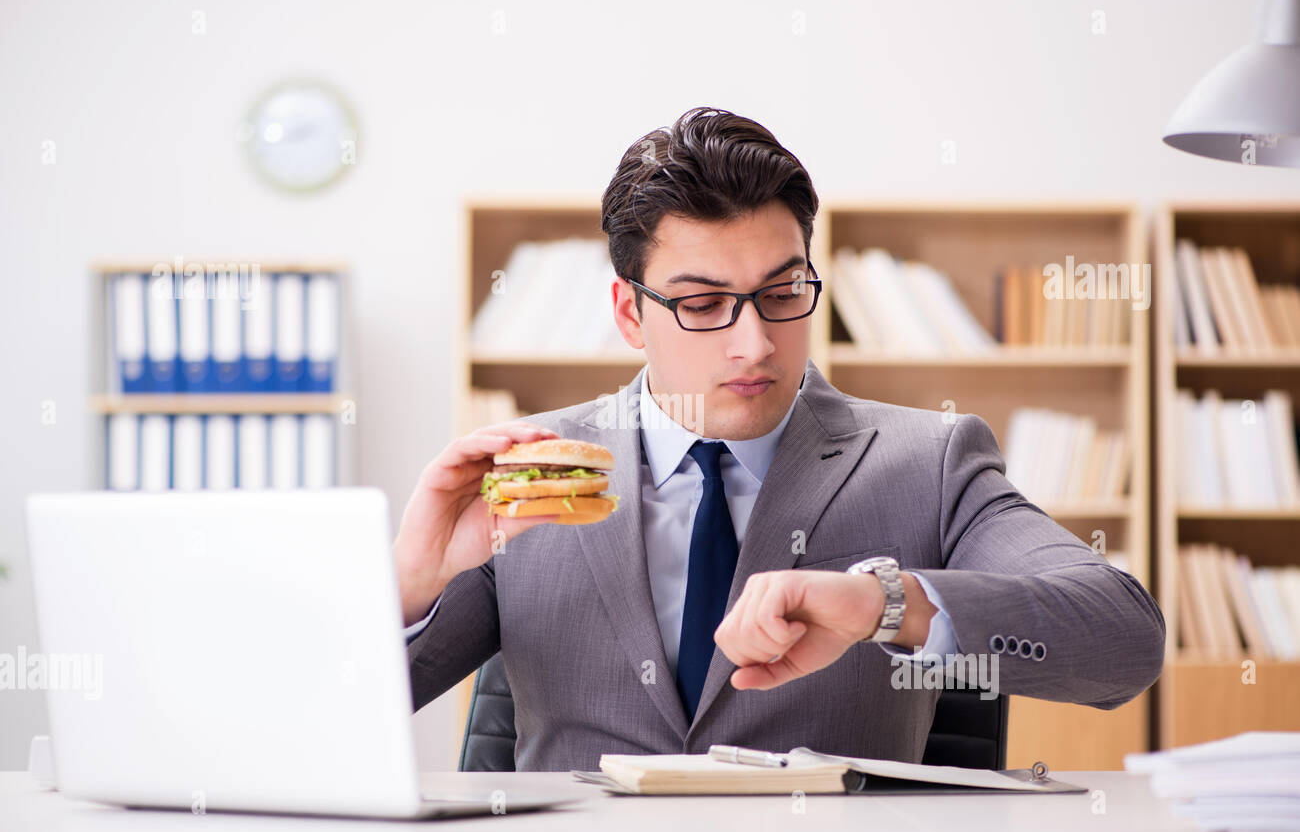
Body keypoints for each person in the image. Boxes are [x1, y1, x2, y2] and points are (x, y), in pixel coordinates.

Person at [394, 106, 1165, 771]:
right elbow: (318, 726)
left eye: (782, 291)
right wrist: (410, 586)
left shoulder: (928, 462)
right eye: (702, 303)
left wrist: (886, 604)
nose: (756, 343)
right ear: (630, 314)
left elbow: (1123, 641)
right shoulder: (531, 475)